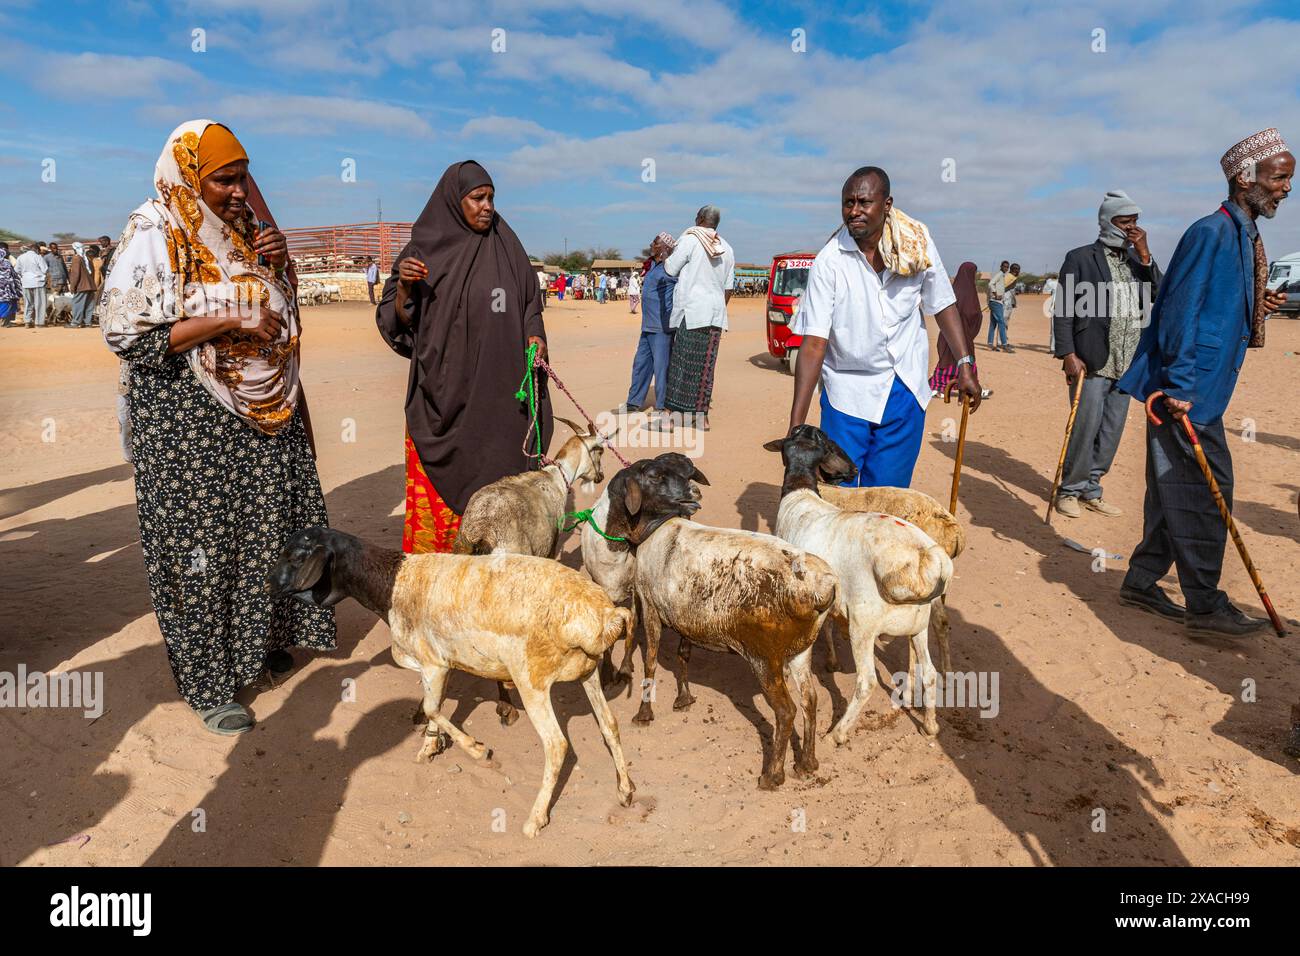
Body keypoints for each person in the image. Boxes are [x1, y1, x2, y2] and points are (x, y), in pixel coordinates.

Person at [98, 119, 335, 735]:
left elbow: (276, 303)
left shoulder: (242, 231)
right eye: (223, 179)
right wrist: (231, 316)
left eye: (243, 178)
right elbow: (128, 332)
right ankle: (208, 682)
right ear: (188, 176)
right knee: (200, 547)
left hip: (262, 410)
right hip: (187, 421)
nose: (238, 191)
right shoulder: (155, 229)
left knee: (263, 533)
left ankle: (253, 647)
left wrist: (279, 267)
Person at [1117, 128, 1293, 637]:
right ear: (1245, 177)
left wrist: (1255, 305)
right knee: (1205, 492)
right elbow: (1177, 311)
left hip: (1199, 390)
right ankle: (1205, 604)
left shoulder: (1244, 233)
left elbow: (1210, 305)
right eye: (1279, 177)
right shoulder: (1210, 231)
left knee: (1174, 486)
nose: (1286, 188)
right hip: (1184, 393)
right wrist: (1177, 385)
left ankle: (1141, 580)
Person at [376, 160, 551, 554]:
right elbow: (395, 321)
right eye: (477, 198)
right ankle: (439, 583)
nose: (487, 206)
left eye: (491, 198)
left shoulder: (507, 244)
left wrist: (535, 334)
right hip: (443, 394)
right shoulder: (423, 249)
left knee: (504, 488)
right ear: (455, 202)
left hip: (501, 393)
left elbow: (529, 303)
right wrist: (405, 286)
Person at [786, 166, 983, 487]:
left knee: (888, 499)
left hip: (904, 389)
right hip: (846, 395)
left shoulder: (917, 244)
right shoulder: (830, 260)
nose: (854, 211)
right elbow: (813, 343)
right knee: (840, 501)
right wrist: (796, 428)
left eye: (864, 202)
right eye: (847, 203)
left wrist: (964, 363)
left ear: (887, 204)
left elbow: (942, 304)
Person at [1052, 191, 1162, 519]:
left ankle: (1091, 488)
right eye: (1125, 221)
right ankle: (1069, 490)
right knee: (1085, 427)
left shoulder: (1136, 259)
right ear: (1107, 221)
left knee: (1111, 431)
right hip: (1091, 359)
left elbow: (1160, 292)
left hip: (1127, 362)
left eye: (1135, 222)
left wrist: (1145, 256)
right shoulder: (1081, 257)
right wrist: (1068, 353)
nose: (1132, 228)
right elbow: (1063, 309)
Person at [661, 204, 735, 431]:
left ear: (700, 218)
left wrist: (666, 254)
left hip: (692, 312)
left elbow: (671, 270)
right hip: (715, 314)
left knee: (680, 363)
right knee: (705, 366)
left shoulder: (690, 239)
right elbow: (729, 287)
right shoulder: (727, 247)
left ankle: (669, 417)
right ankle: (701, 417)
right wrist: (718, 308)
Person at [619, 233, 677, 416]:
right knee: (641, 364)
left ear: (665, 247)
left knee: (662, 368)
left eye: (655, 242)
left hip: (662, 327)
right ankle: (634, 401)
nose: (651, 244)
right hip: (647, 325)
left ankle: (662, 406)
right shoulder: (651, 264)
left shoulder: (672, 268)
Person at [928, 262, 989, 399]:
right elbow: (972, 314)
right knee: (965, 361)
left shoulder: (951, 291)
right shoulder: (970, 293)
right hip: (964, 336)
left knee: (947, 360)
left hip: (947, 334)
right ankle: (942, 386)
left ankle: (939, 385)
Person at [16, 242, 48, 328]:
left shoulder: (20, 257)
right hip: (38, 282)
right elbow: (45, 269)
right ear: (37, 249)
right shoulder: (38, 257)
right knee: (40, 303)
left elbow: (17, 270)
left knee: (28, 303)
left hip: (26, 282)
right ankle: (39, 323)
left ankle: (27, 321)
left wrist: (24, 275)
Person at [66, 241, 97, 328]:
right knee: (88, 305)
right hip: (90, 285)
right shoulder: (86, 258)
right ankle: (88, 322)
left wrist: (73, 286)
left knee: (77, 303)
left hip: (81, 285)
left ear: (74, 249)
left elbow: (76, 273)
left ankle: (75, 322)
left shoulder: (76, 258)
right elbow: (92, 271)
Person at [985, 259, 1010, 351]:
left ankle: (990, 344)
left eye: (1007, 267)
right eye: (1004, 266)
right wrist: (995, 294)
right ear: (1001, 267)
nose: (1006, 268)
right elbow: (990, 284)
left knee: (993, 323)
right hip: (996, 302)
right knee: (1001, 322)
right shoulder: (999, 274)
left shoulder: (1002, 276)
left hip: (995, 302)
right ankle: (1004, 344)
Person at [999, 263, 1021, 349]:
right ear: (1011, 269)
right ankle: (1001, 342)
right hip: (1004, 302)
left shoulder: (1013, 278)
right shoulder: (1008, 277)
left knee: (1006, 323)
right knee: (1003, 322)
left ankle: (1003, 341)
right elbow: (1003, 288)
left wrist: (1014, 302)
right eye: (1015, 269)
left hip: (1009, 303)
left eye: (1018, 269)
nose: (1017, 271)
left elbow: (1012, 292)